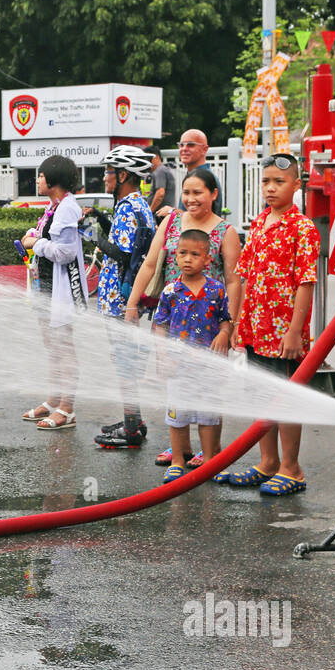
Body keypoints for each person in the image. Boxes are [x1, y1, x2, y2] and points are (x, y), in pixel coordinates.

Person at [214, 154, 317, 495]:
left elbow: (306, 283)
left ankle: (292, 468)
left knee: (285, 399)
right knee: (262, 395)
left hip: (284, 333)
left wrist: (293, 331)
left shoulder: (303, 229)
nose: (271, 188)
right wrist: (235, 323)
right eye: (266, 181)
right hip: (255, 329)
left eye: (280, 182)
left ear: (296, 185)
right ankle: (268, 462)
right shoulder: (258, 224)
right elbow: (242, 277)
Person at [126, 167, 242, 466]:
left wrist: (230, 328)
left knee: (208, 390)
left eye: (198, 192)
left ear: (213, 194)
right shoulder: (171, 222)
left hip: (210, 326)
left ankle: (210, 453)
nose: (191, 199)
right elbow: (151, 264)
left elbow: (233, 280)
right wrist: (132, 302)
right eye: (187, 193)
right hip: (175, 323)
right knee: (176, 383)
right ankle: (181, 450)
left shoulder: (225, 232)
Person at [85, 145, 157, 449]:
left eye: (109, 172)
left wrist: (88, 234)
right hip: (126, 297)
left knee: (124, 362)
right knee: (124, 360)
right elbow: (127, 242)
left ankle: (131, 429)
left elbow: (123, 253)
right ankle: (133, 420)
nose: (105, 177)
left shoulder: (129, 207)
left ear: (123, 174)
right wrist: (101, 218)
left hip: (119, 299)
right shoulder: (137, 204)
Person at [152, 229, 233, 483]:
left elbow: (226, 320)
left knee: (208, 415)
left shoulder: (216, 290)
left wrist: (223, 334)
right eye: (182, 253)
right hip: (177, 366)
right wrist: (161, 355)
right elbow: (159, 326)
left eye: (194, 254)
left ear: (208, 259)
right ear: (175, 257)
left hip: (209, 367)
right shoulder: (170, 292)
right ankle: (177, 459)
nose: (187, 259)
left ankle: (210, 461)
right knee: (178, 415)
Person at [19, 155, 87, 430]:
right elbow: (49, 238)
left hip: (60, 289)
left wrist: (36, 242)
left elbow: (65, 252)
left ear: (53, 179)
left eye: (41, 175)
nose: (37, 180)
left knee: (63, 348)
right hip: (45, 286)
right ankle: (53, 400)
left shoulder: (68, 208)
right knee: (52, 347)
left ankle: (67, 408)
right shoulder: (54, 206)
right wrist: (34, 235)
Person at [171, 129, 222, 217]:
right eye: (181, 145)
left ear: (204, 149)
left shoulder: (207, 178)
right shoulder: (192, 175)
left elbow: (200, 218)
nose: (184, 149)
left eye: (190, 145)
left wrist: (171, 212)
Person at [145, 144, 178, 215]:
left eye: (148, 159)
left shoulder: (160, 171)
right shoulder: (162, 170)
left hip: (162, 216)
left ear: (156, 157)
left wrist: (149, 212)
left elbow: (160, 193)